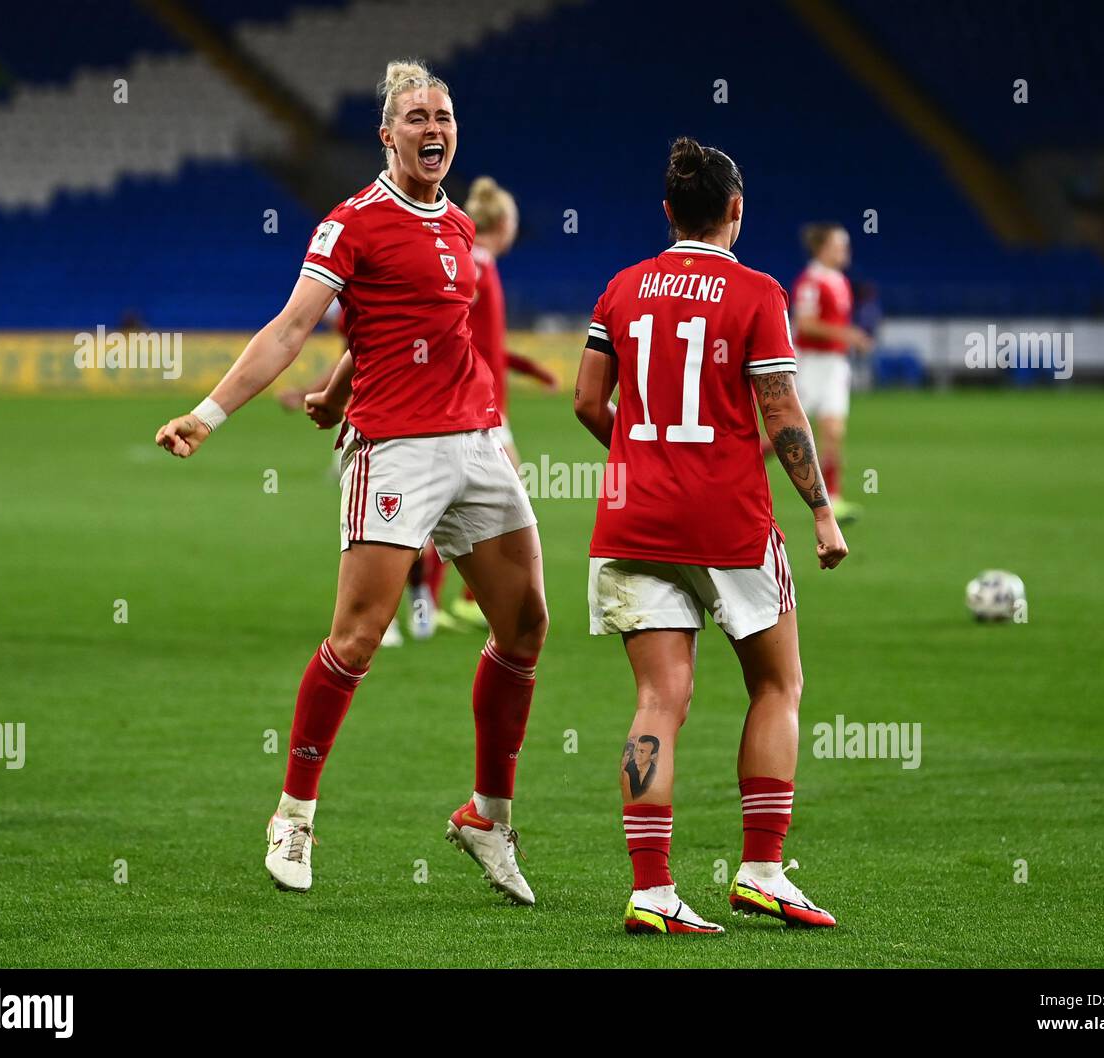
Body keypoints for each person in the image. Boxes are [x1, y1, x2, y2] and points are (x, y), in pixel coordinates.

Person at [155, 59, 547, 906]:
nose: (434, 128)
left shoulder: (455, 232)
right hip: (396, 451)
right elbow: (293, 326)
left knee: (524, 626)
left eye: (444, 114)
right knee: (359, 636)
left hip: (474, 443)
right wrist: (208, 414)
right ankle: (294, 813)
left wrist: (336, 391)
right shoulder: (353, 223)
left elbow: (396, 332)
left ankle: (487, 816)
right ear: (387, 134)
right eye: (417, 118)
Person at [574, 138, 847, 934]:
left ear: (666, 213)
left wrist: (644, 454)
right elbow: (783, 414)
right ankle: (762, 869)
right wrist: (822, 512)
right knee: (777, 685)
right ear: (736, 208)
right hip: (727, 524)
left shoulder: (621, 288)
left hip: (633, 519)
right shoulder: (758, 292)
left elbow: (590, 405)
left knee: (659, 699)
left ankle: (651, 890)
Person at [415, 175, 559, 639]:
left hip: (490, 408)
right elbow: (450, 332)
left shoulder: (483, 264)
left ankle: (454, 601)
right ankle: (447, 600)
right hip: (478, 408)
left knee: (482, 505)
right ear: (504, 222)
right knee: (499, 504)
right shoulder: (474, 268)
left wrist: (531, 369)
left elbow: (487, 346)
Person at [789, 223, 874, 523]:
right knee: (786, 435)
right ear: (823, 249)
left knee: (834, 432)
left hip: (835, 366)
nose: (845, 251)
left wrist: (848, 339)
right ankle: (737, 475)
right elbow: (806, 324)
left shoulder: (839, 280)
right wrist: (849, 334)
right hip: (811, 364)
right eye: (840, 245)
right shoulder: (810, 282)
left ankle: (832, 499)